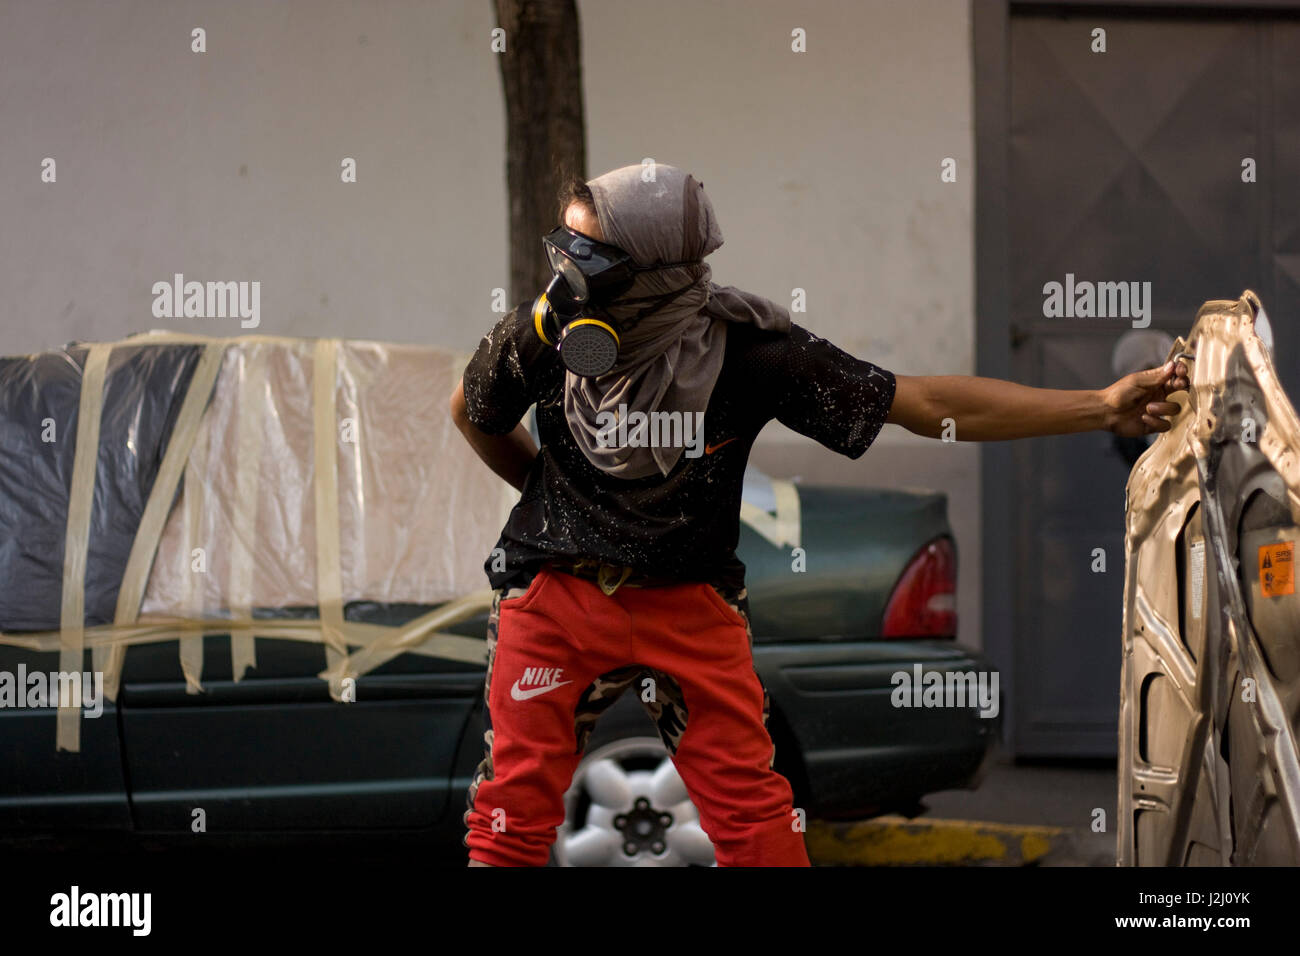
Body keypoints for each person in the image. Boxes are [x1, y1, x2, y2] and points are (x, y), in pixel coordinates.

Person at [449, 163, 1189, 867]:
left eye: (590, 256)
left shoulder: (751, 355)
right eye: (563, 248)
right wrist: (549, 505)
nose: (565, 276)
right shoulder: (547, 332)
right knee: (510, 817)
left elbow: (927, 405)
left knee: (754, 819)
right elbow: (471, 408)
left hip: (689, 603)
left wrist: (1100, 407)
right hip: (557, 597)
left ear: (655, 274)